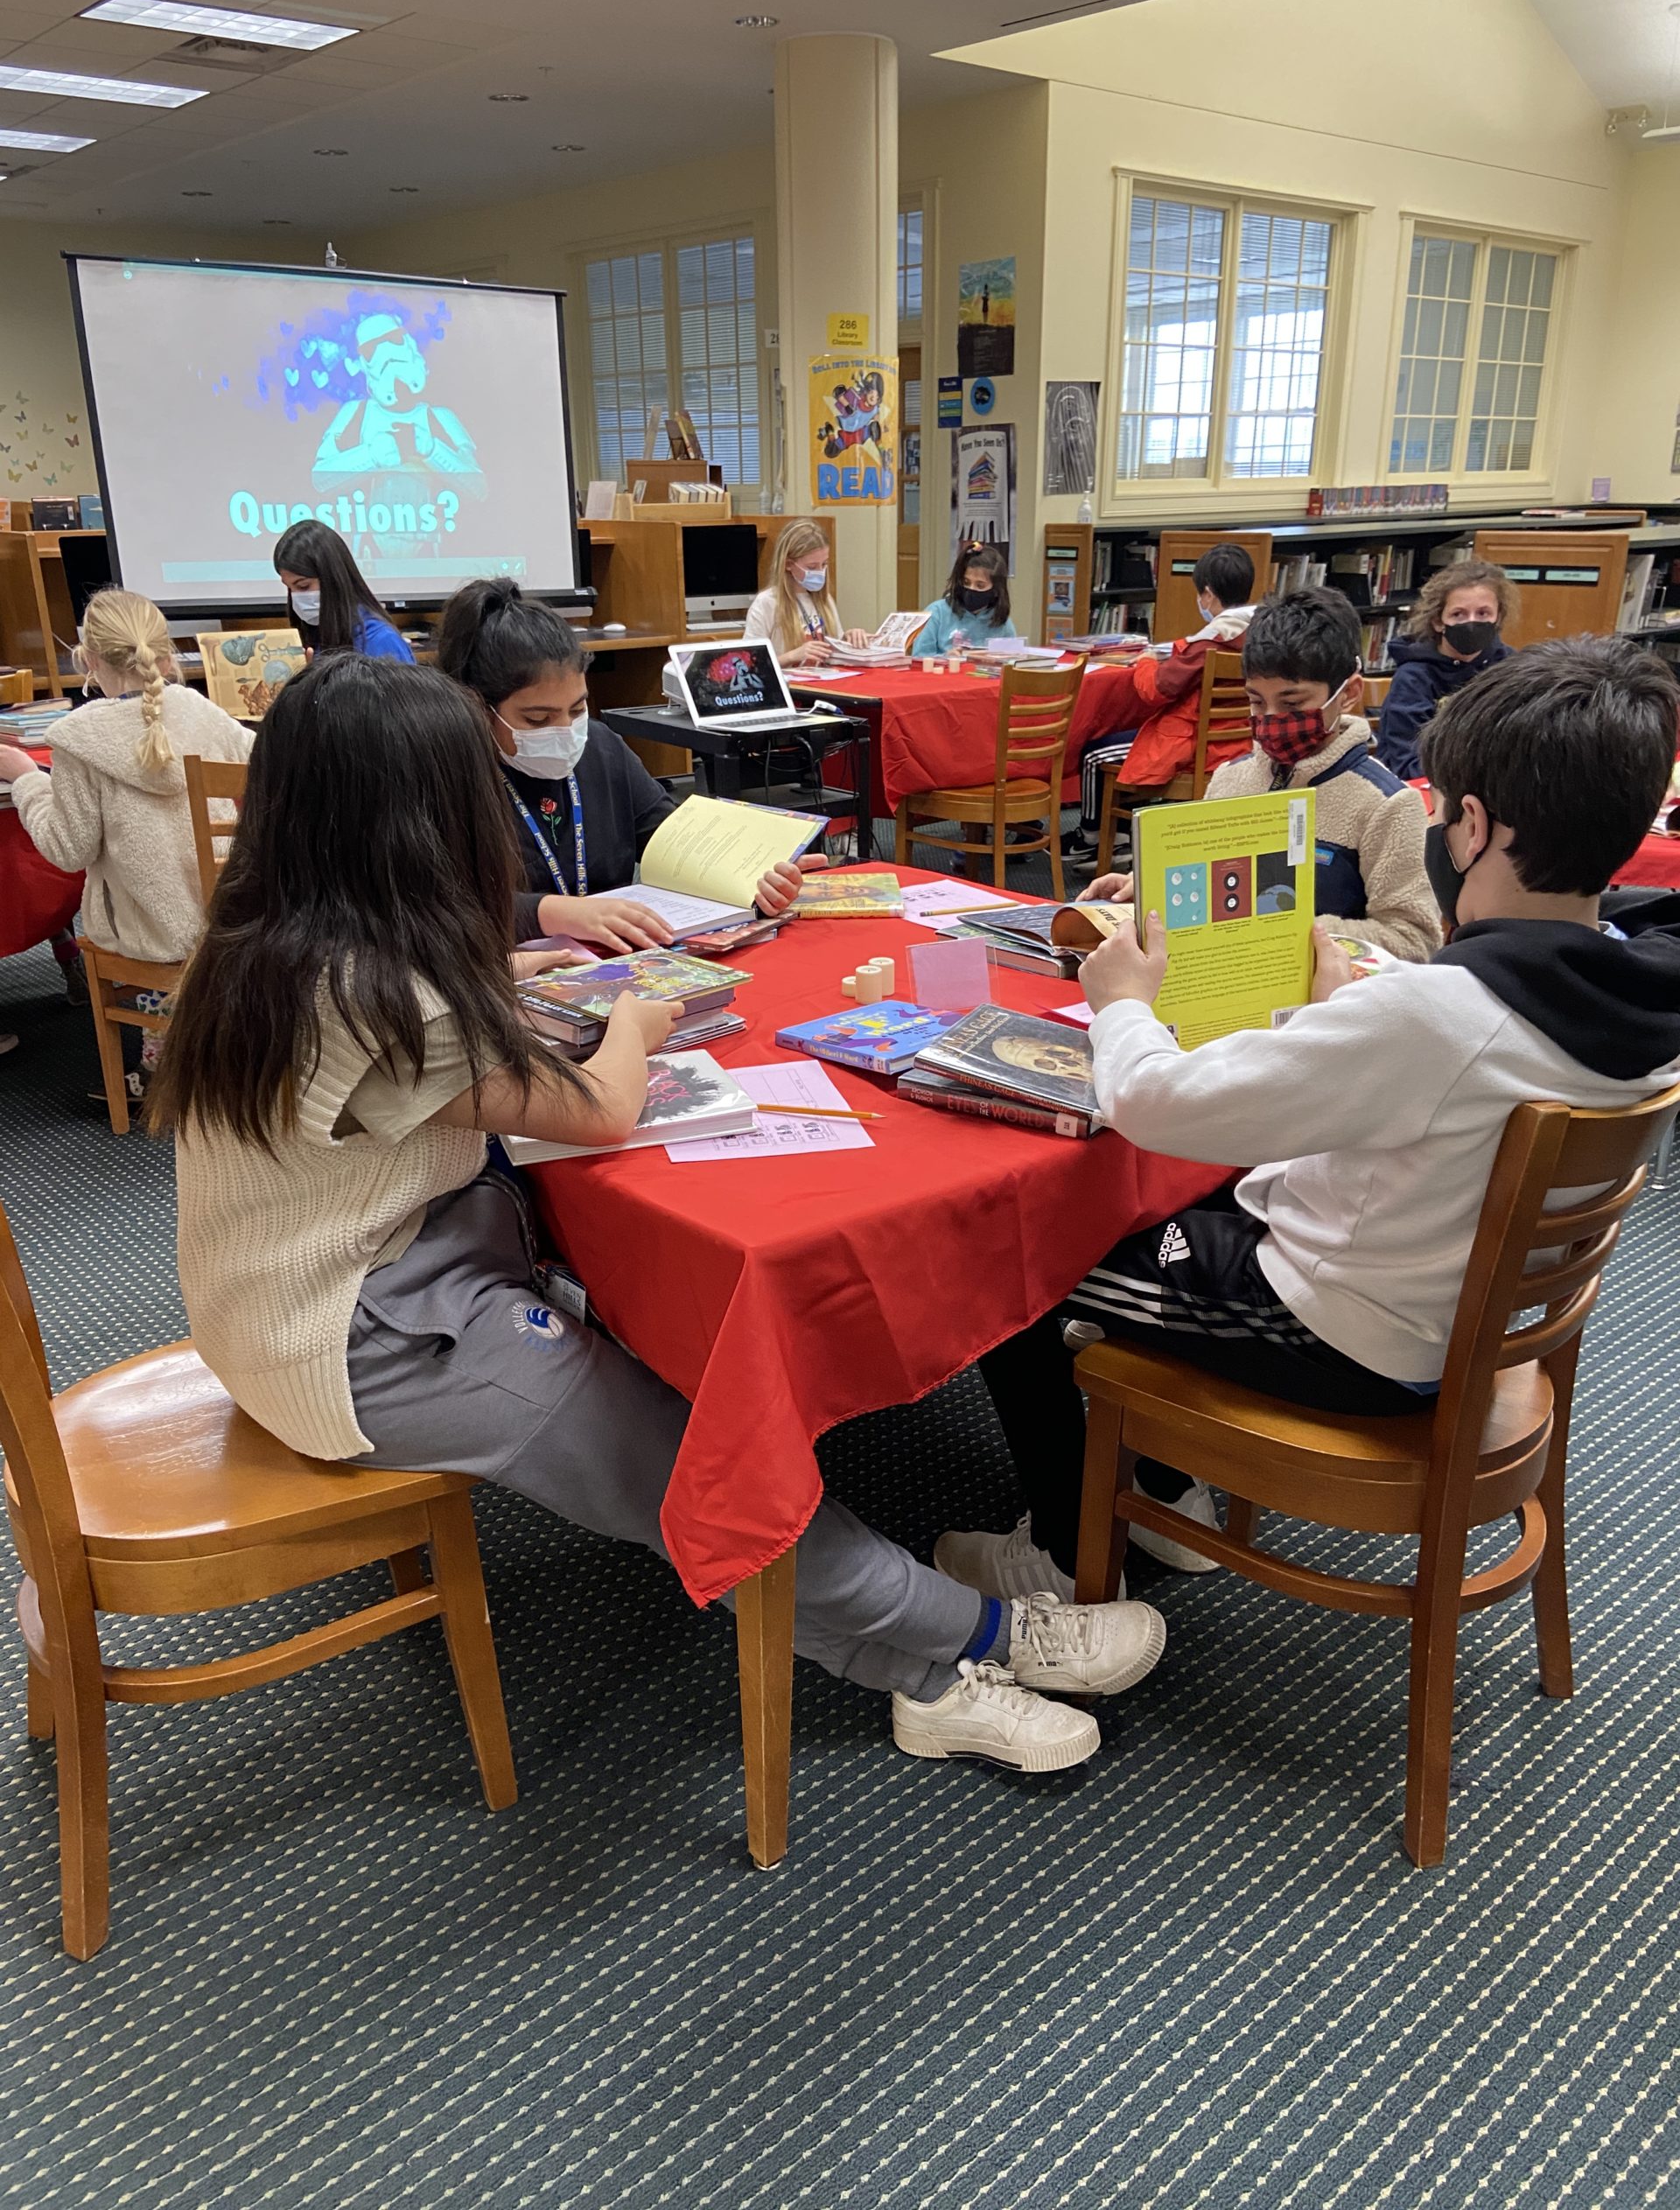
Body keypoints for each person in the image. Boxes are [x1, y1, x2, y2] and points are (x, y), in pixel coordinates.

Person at [151, 653, 1165, 1772]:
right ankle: (958, 1647)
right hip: (362, 1327)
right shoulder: (368, 991)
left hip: (316, 1285)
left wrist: (515, 964)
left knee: (676, 1384)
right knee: (702, 1462)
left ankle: (913, 1634)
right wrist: (632, 1016)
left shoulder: (273, 933)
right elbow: (598, 1107)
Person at [939, 634, 1680, 1602]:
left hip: (1341, 1334)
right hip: (1457, 1315)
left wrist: (1120, 998)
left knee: (1012, 1265)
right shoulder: (1640, 988)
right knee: (1158, 1220)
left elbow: (1154, 1103)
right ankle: (1162, 1485)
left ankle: (1067, 1552)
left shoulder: (1435, 1012)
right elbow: (1436, 1096)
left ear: (1470, 826)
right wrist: (1343, 1011)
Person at [438, 577, 821, 952]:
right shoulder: (444, 772)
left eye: (577, 708)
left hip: (616, 960)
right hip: (503, 975)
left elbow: (673, 841)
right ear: (477, 708)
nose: (565, 731)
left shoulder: (599, 747)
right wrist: (552, 912)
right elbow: (432, 908)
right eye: (538, 720)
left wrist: (749, 872)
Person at [1076, 587, 1439, 964]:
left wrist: (1286, 929)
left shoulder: (1387, 805)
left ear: (1347, 694)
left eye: (1292, 703)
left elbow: (1414, 941)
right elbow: (1206, 882)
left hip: (1324, 1006)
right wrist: (1150, 890)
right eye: (1255, 701)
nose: (1270, 719)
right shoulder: (1229, 780)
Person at [0, 587, 254, 1103]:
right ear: (163, 655)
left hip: (146, 931)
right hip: (232, 916)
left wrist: (26, 779)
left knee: (145, 912)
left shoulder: (75, 737)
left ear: (89, 660)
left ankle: (160, 1071)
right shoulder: (204, 712)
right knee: (184, 921)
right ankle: (215, 1054)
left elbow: (66, 851)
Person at [1067, 542, 1258, 871]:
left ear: (1209, 594)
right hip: (1235, 744)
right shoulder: (1259, 633)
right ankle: (1123, 837)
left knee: (1094, 753)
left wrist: (1145, 661)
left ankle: (1090, 838)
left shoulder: (1209, 644)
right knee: (1123, 740)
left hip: (1191, 746)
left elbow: (1156, 690)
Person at [1376, 560, 1516, 783]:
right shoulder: (1413, 677)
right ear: (1438, 622)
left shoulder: (1511, 668)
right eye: (1458, 614)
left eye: (1483, 613)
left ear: (1498, 617)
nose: (1472, 623)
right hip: (1424, 789)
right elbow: (1407, 760)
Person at [272, 520, 416, 663]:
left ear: (333, 579)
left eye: (303, 586)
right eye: (289, 588)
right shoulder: (314, 639)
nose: (296, 598)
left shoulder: (381, 641)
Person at [743, 520, 871, 668]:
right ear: (789, 564)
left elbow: (833, 649)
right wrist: (791, 656)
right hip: (789, 687)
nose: (820, 572)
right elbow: (750, 665)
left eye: (824, 564)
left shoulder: (824, 600)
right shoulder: (767, 603)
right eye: (812, 567)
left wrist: (849, 638)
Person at [916, 543, 1014, 656]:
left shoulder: (1002, 623)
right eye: (966, 582)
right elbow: (919, 657)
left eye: (980, 586)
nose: (971, 589)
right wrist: (946, 658)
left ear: (996, 590)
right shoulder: (936, 612)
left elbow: (1009, 662)